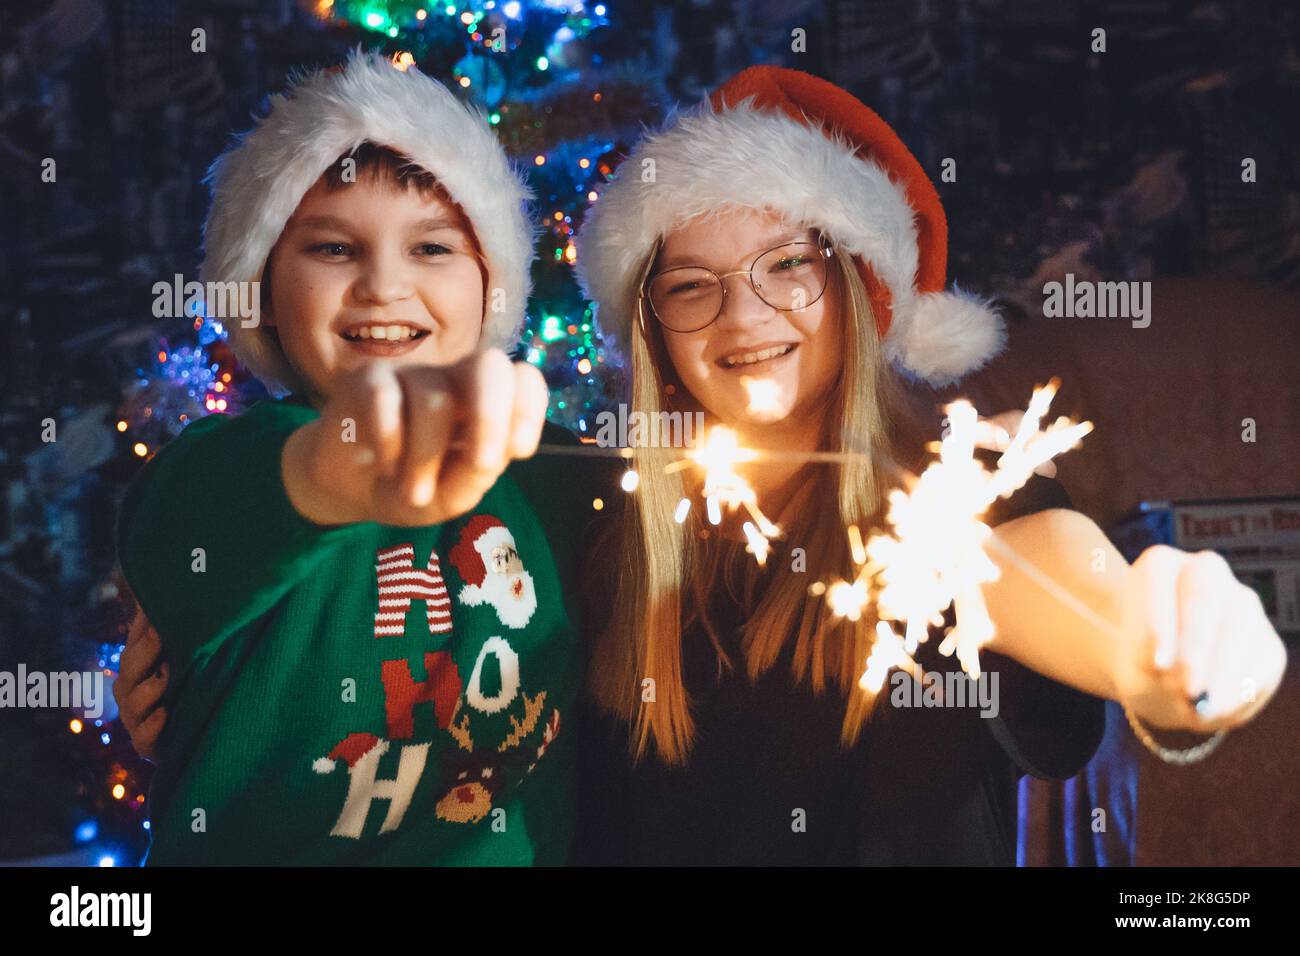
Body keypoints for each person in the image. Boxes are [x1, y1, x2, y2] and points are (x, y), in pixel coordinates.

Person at [566, 66, 1286, 864]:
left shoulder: (952, 487)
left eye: (785, 266)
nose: (742, 314)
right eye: (692, 285)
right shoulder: (602, 521)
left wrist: (1171, 650)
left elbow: (1050, 576)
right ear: (653, 328)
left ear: (853, 286)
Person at [115, 51, 592, 865]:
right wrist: (331, 470)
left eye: (433, 249)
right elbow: (187, 528)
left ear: (492, 287)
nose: (383, 285)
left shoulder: (555, 478)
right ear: (262, 287)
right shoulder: (229, 461)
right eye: (334, 249)